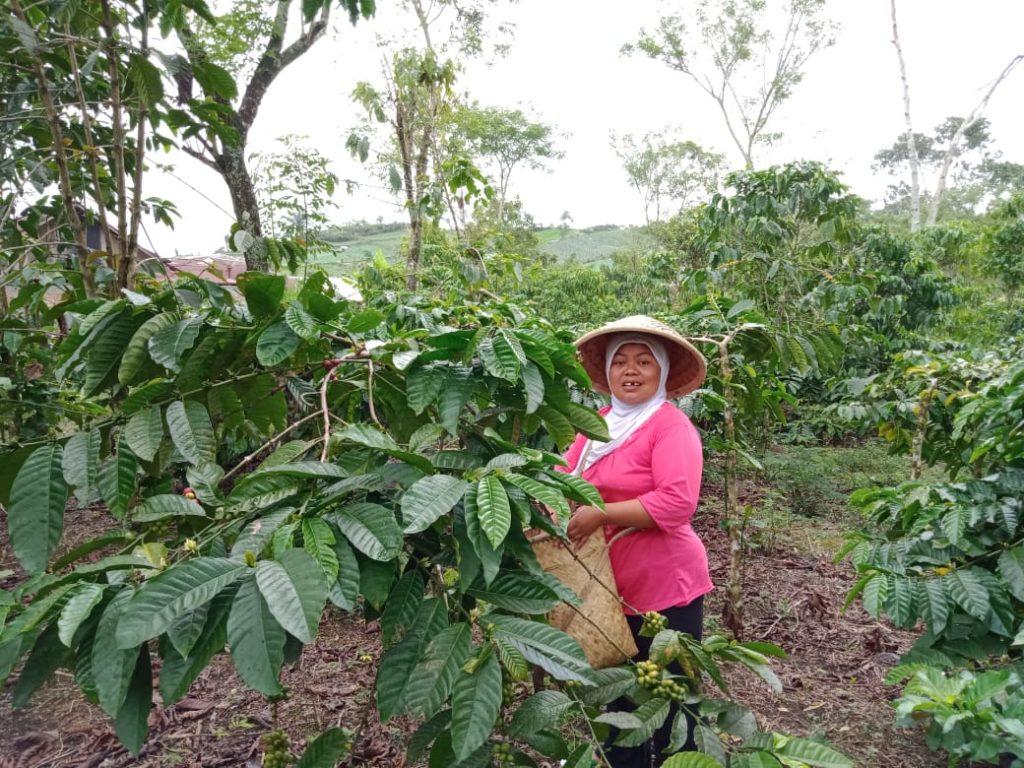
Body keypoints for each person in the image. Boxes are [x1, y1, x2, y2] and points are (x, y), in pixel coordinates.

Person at [559, 315, 710, 767]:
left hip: (666, 587)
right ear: (606, 373)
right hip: (610, 590)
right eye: (620, 361)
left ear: (662, 372)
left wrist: (599, 513)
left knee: (670, 701)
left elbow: (676, 503)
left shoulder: (670, 426)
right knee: (620, 703)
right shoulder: (598, 425)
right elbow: (563, 476)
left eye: (644, 361)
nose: (630, 370)